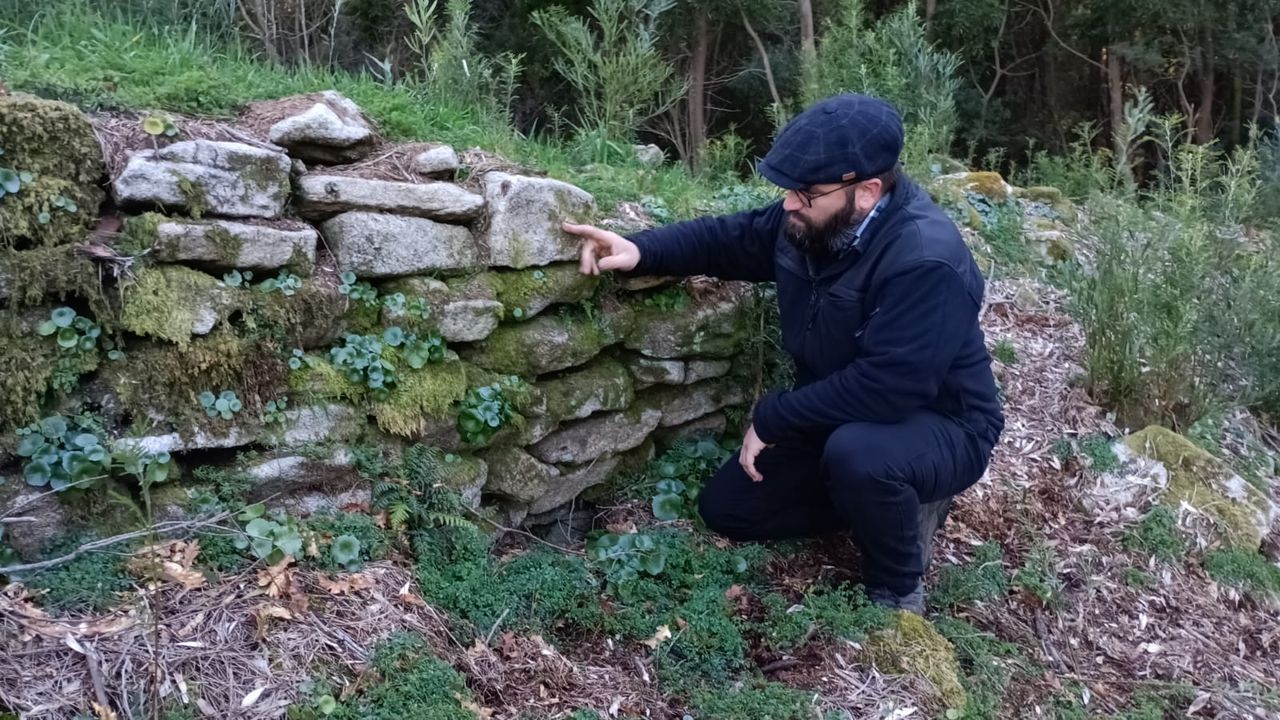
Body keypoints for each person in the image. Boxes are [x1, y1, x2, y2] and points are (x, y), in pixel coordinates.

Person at [563, 93, 1004, 614]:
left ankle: (897, 586)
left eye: (806, 192)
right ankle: (877, 503)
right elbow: (732, 238)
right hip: (840, 411)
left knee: (861, 458)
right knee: (729, 509)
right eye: (788, 190)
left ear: (866, 191)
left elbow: (892, 387)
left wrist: (776, 417)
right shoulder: (815, 219)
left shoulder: (925, 259)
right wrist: (641, 250)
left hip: (941, 424)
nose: (790, 203)